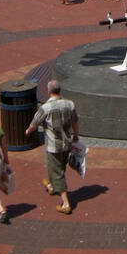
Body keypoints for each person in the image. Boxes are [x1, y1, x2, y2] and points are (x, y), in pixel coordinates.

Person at [26, 81, 80, 216]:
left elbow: (34, 123)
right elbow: (75, 121)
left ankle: (66, 203)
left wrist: (28, 131)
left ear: (49, 91)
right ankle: (51, 185)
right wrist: (76, 136)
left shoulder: (46, 108)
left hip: (53, 145)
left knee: (57, 172)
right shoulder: (69, 104)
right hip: (66, 143)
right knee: (60, 166)